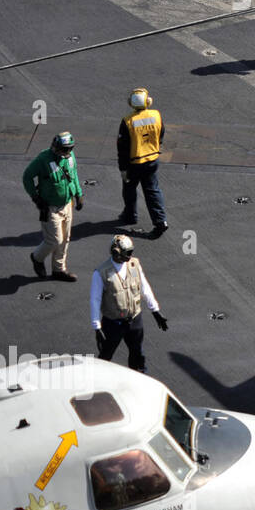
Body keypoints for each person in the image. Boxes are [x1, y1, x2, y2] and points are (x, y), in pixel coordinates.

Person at [90, 235, 168, 373]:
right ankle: (97, 381)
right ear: (116, 253)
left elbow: (144, 287)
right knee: (105, 356)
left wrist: (155, 310)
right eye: (128, 252)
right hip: (113, 323)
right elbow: (95, 299)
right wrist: (97, 327)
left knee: (137, 353)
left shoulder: (134, 264)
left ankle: (139, 377)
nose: (131, 255)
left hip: (134, 320)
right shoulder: (101, 273)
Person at [23, 132, 83, 282]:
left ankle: (59, 270)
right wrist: (35, 198)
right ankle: (37, 257)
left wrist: (78, 194)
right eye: (61, 148)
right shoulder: (43, 159)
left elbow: (73, 175)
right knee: (54, 240)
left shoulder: (70, 157)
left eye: (67, 149)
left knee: (65, 239)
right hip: (50, 208)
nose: (64, 152)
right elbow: (27, 176)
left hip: (67, 204)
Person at [117, 88, 169, 237]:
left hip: (134, 163)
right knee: (152, 191)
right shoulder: (156, 115)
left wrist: (123, 168)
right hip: (152, 160)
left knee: (129, 189)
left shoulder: (128, 121)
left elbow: (123, 148)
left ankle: (130, 215)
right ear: (148, 102)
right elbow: (161, 134)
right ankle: (160, 221)